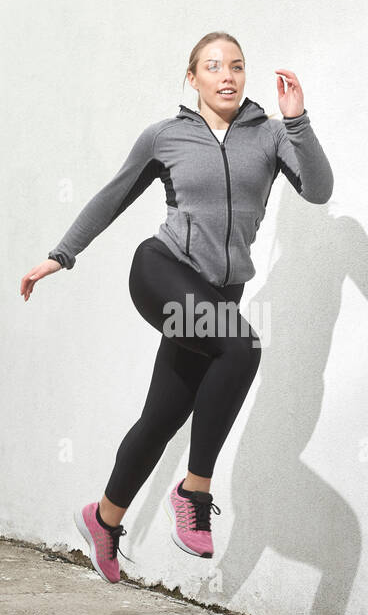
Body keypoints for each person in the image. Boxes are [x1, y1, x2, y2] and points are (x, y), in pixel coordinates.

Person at [20, 32, 334, 583]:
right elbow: (112, 195)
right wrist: (60, 255)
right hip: (162, 271)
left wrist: (299, 120)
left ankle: (104, 518)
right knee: (240, 348)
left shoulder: (271, 136)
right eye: (213, 67)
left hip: (216, 295)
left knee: (164, 415)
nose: (227, 76)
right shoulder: (165, 137)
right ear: (193, 78)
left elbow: (319, 189)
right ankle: (194, 489)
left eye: (237, 66)